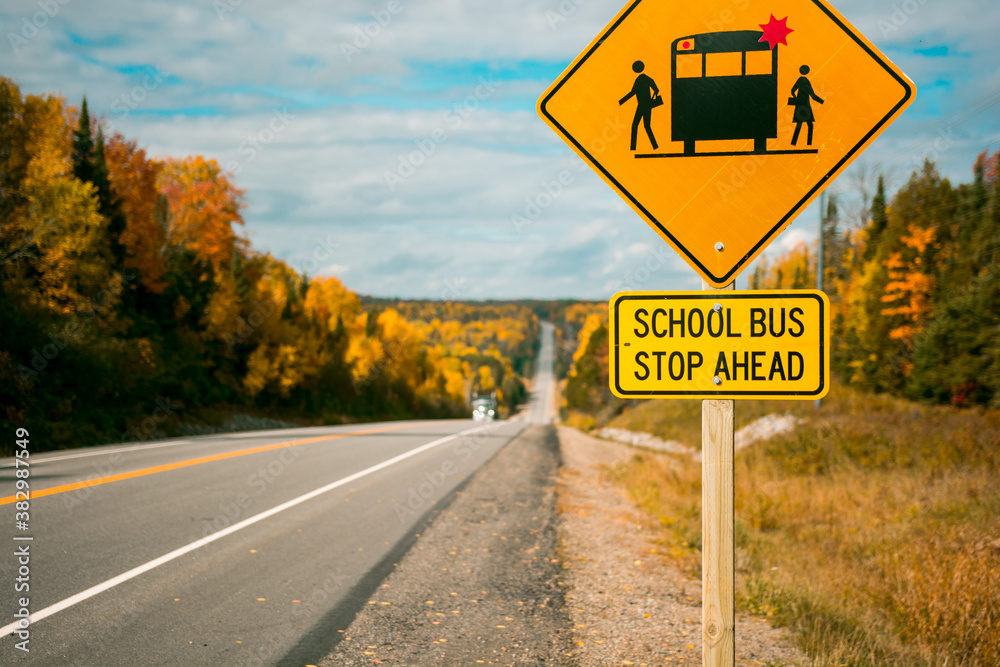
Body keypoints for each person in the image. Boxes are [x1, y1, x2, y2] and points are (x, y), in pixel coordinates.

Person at [619, 61, 659, 151]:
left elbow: (633, 92)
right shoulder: (643, 78)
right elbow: (652, 83)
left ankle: (633, 148)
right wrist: (655, 90)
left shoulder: (640, 79)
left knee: (635, 125)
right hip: (646, 105)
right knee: (646, 126)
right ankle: (655, 146)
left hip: (642, 105)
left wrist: (622, 101)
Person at [791, 65, 824, 147]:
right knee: (809, 125)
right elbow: (812, 96)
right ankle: (809, 143)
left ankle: (794, 143)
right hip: (805, 106)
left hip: (800, 105)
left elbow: (792, 90)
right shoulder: (806, 81)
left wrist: (796, 99)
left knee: (799, 124)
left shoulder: (800, 80)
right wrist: (822, 101)